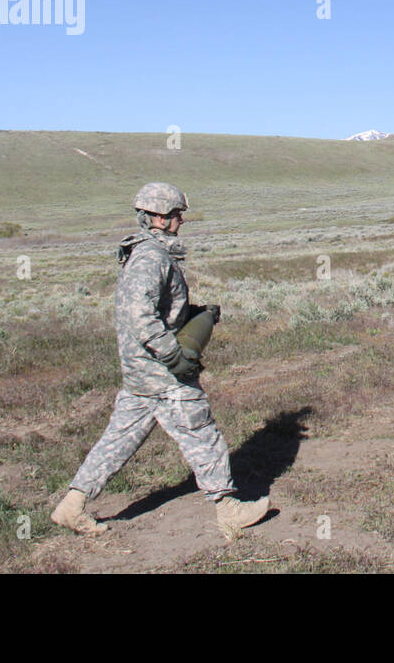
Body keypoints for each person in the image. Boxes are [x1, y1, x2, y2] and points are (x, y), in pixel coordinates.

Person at [50, 182, 271, 541]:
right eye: (176, 214)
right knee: (200, 432)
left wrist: (193, 314)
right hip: (160, 373)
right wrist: (173, 355)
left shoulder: (150, 255)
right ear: (157, 217)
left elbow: (155, 310)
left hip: (141, 372)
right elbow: (140, 316)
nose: (181, 220)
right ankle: (228, 509)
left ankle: (72, 506)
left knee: (119, 439)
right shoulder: (151, 258)